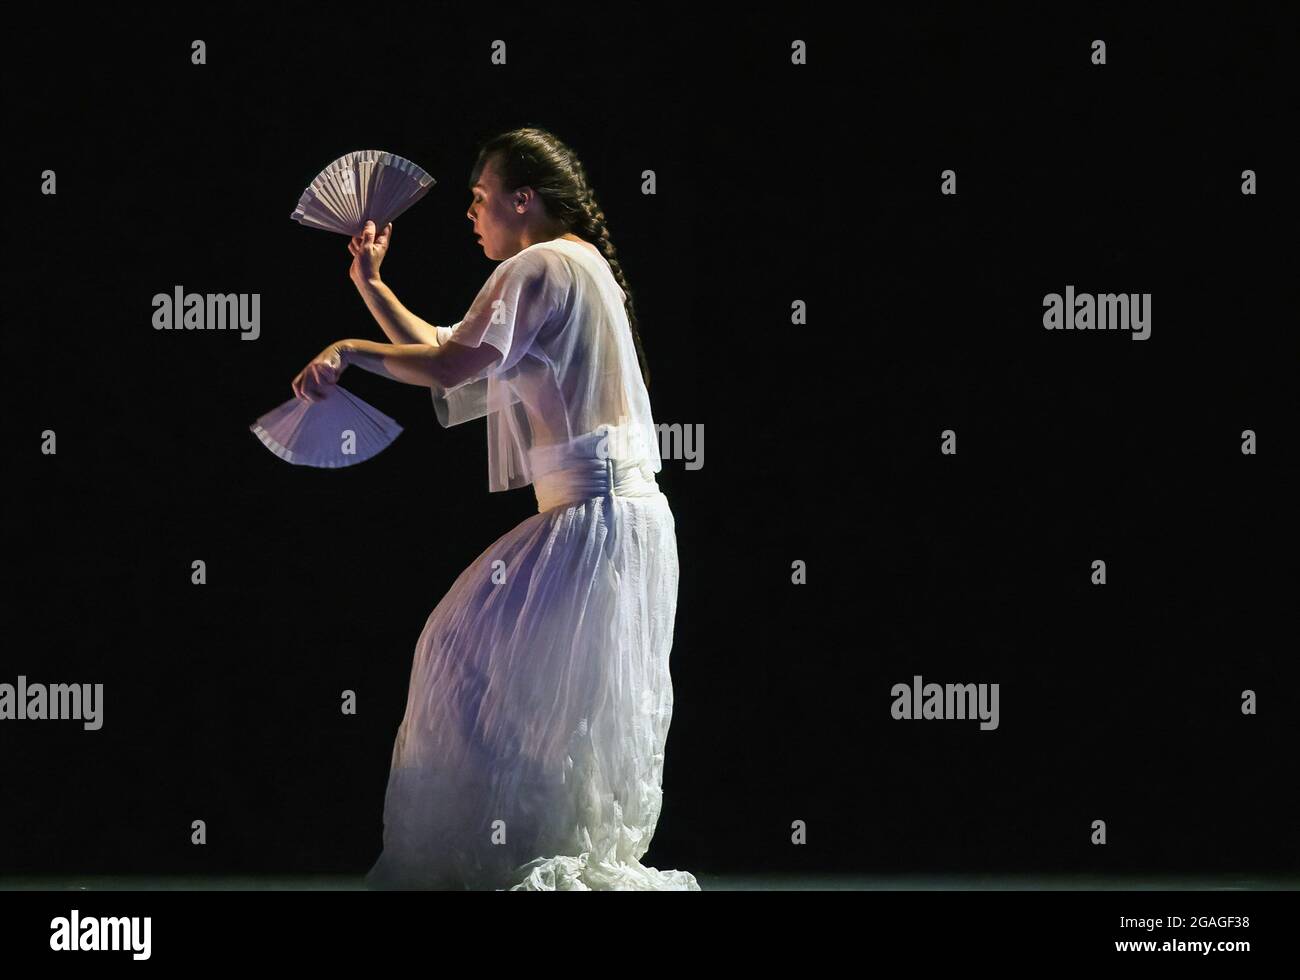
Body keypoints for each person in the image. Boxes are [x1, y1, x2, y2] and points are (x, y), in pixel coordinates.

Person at [291, 128, 698, 891]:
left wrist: (347, 349)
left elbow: (450, 363)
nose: (471, 212)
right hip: (621, 520)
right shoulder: (578, 265)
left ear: (524, 198)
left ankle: (510, 857)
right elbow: (455, 355)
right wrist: (372, 287)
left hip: (598, 519)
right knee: (528, 695)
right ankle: (516, 848)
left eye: (481, 197)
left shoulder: (540, 263)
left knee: (467, 661)